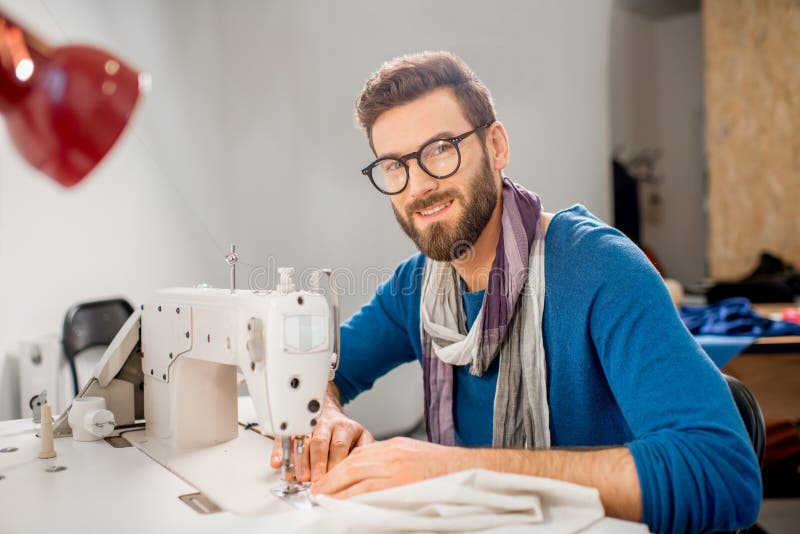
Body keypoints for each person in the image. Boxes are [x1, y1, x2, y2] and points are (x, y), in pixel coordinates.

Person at [270, 51, 761, 533]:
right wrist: (327, 414)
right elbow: (323, 366)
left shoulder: (600, 269)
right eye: (394, 165)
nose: (418, 185)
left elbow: (723, 474)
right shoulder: (415, 285)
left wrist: (456, 470)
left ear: (496, 146)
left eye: (441, 148)